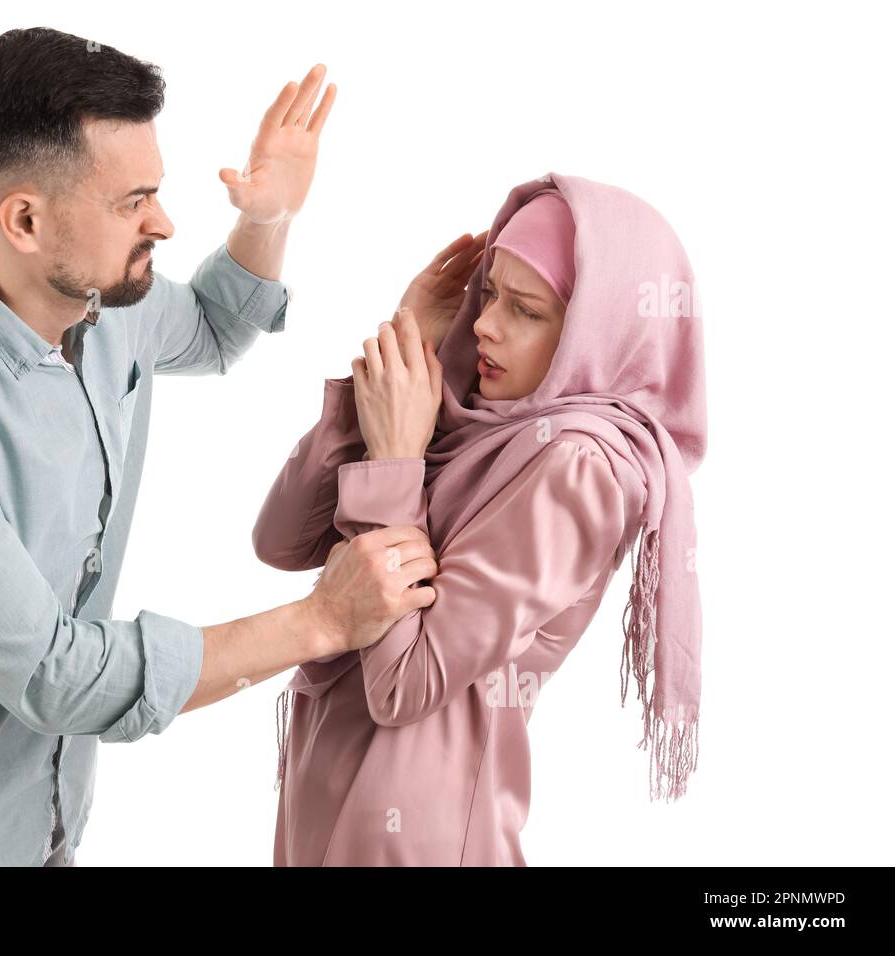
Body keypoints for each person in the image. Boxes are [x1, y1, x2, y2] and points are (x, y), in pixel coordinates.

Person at [0, 27, 439, 867]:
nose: (166, 220)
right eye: (133, 201)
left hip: (38, 832)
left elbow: (218, 330)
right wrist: (323, 619)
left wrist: (269, 217)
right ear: (27, 219)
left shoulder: (101, 304)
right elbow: (59, 676)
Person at [254, 173, 706, 865]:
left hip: (419, 838)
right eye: (489, 292)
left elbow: (405, 683)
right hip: (322, 803)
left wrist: (399, 457)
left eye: (526, 310)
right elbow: (280, 541)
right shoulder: (469, 418)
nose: (486, 323)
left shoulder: (582, 468)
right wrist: (399, 363)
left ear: (595, 330)